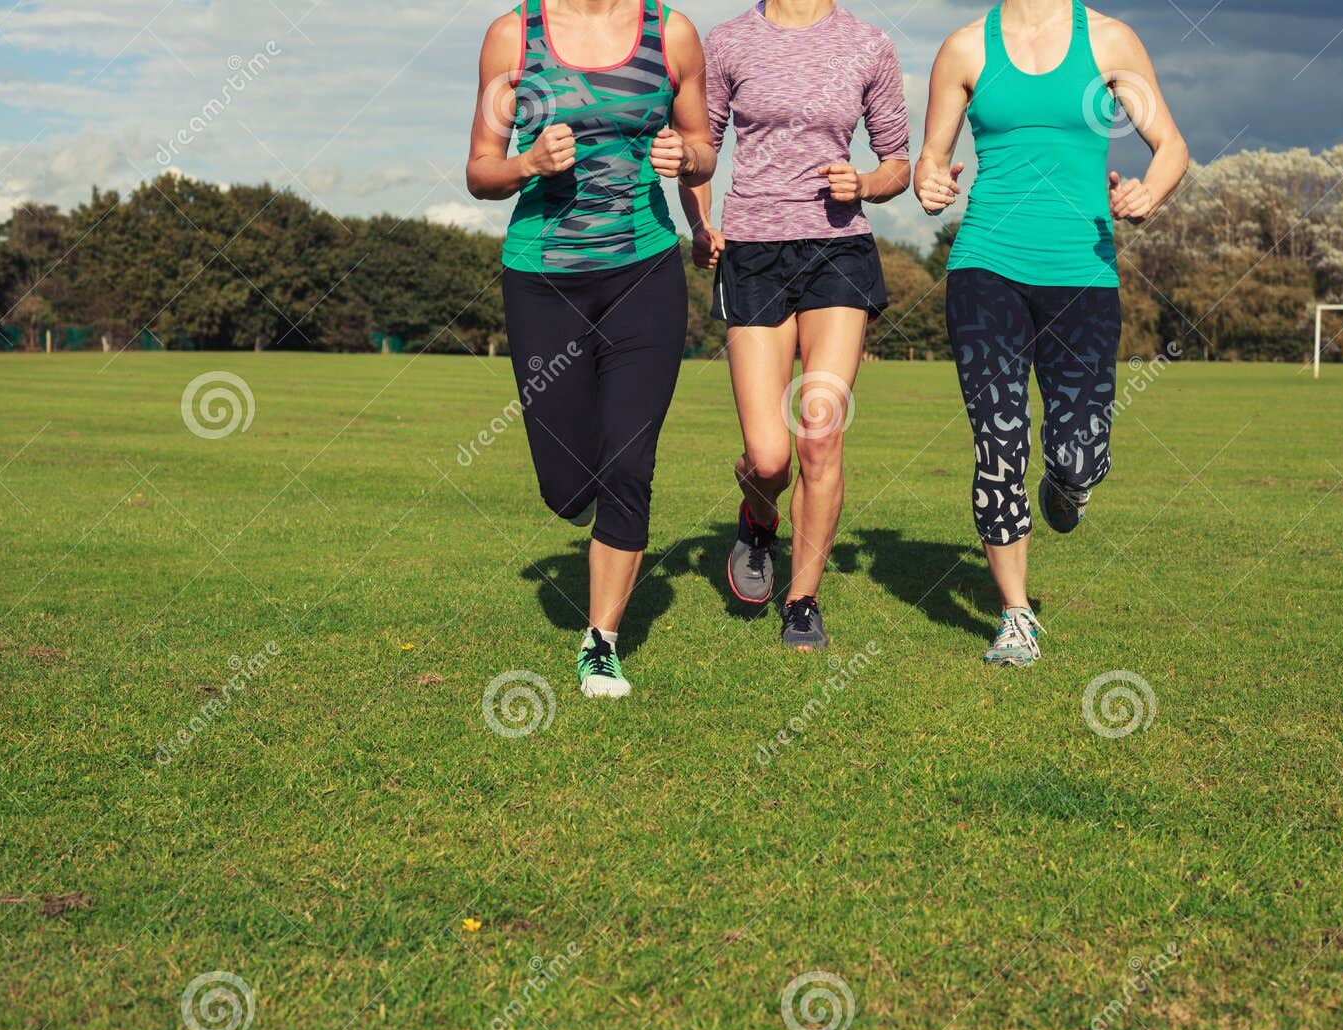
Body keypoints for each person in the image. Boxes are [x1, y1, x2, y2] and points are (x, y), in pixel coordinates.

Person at [915, 0, 1187, 666]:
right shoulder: (964, 49)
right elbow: (931, 163)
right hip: (987, 267)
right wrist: (928, 186)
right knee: (998, 442)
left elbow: (1172, 146)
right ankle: (1015, 615)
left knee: (1078, 452)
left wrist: (1150, 191)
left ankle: (1071, 481)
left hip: (1082, 274)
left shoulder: (1112, 41)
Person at [468, 0, 715, 697]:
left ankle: (600, 641)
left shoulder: (671, 33)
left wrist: (685, 155)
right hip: (543, 279)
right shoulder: (514, 36)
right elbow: (480, 170)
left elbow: (701, 148)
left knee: (629, 461)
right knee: (567, 486)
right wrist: (527, 162)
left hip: (644, 270)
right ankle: (582, 498)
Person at [681, 0, 909, 651]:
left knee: (820, 433)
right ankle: (758, 517)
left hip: (838, 251)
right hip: (753, 253)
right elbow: (701, 148)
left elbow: (899, 162)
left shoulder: (868, 45)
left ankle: (803, 601)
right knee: (769, 456)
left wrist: (864, 182)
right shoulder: (726, 43)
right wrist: (701, 224)